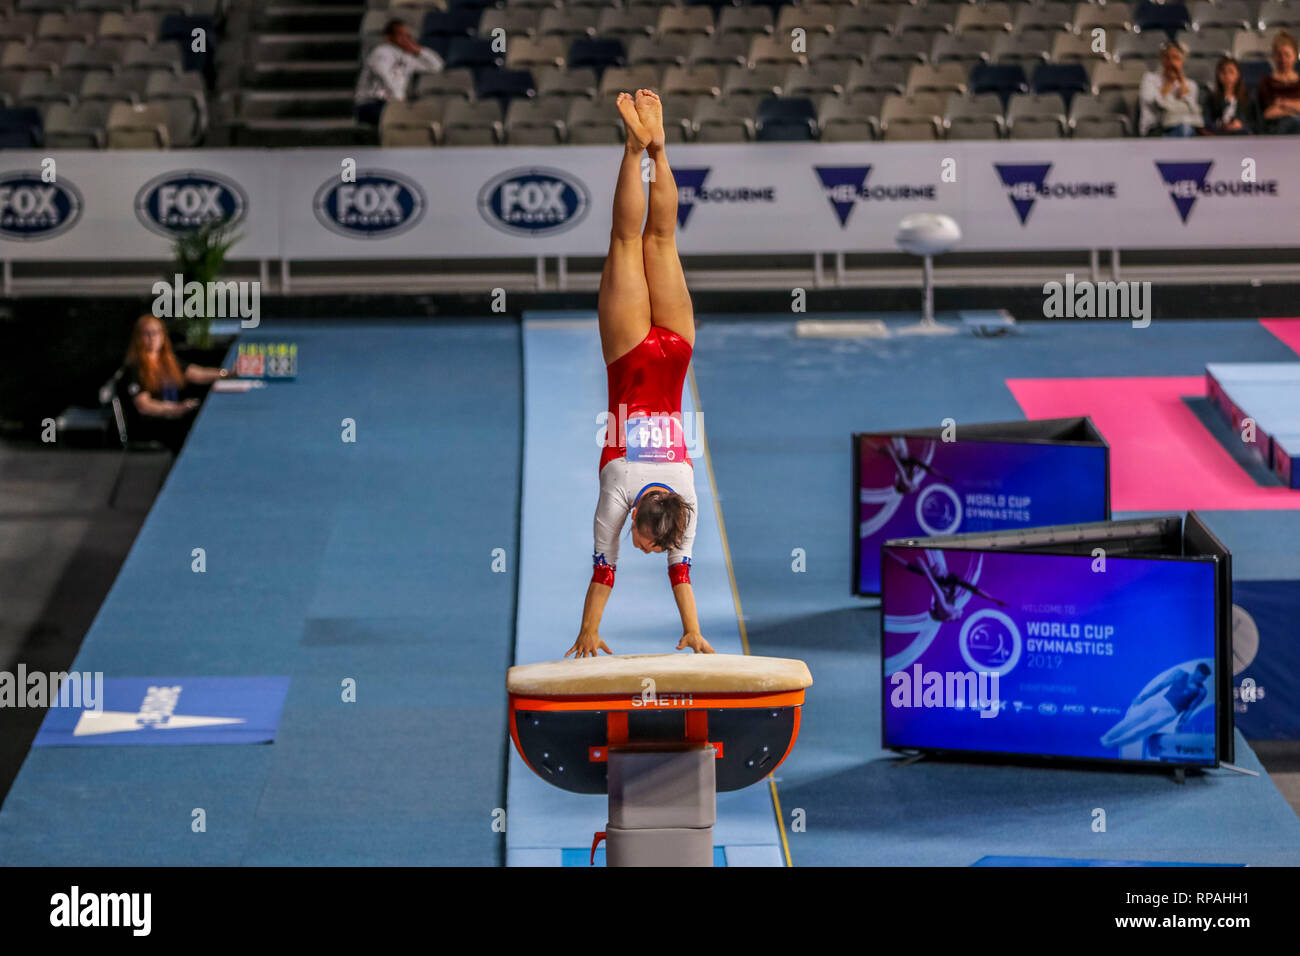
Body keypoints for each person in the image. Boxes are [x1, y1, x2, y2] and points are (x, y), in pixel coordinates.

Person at [566, 90, 714, 659]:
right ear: (644, 521)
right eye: (651, 546)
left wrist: (693, 629)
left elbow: (682, 574)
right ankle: (635, 145)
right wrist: (588, 630)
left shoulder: (685, 501)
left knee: (660, 239)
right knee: (627, 241)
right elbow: (604, 571)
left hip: (676, 351)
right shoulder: (618, 492)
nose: (651, 552)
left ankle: (659, 145)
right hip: (630, 355)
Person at [120, 314, 231, 452]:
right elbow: (144, 405)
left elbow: (197, 373)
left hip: (172, 415)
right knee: (193, 423)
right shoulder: (134, 368)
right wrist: (176, 409)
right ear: (138, 338)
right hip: (152, 423)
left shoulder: (167, 361)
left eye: (156, 332)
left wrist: (228, 373)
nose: (152, 337)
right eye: (147, 333)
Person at [354, 18, 444, 127]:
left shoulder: (408, 57)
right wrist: (399, 101)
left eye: (407, 35)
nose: (406, 39)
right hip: (370, 104)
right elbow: (385, 76)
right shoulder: (381, 52)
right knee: (404, 119)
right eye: (401, 35)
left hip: (394, 104)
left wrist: (418, 50)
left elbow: (436, 66)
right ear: (390, 37)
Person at [1099, 663, 1211, 749]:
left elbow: (1190, 709)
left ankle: (1113, 744)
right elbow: (1161, 685)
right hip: (1160, 701)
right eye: (1201, 677)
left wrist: (1179, 725)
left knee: (1143, 729)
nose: (1202, 680)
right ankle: (1107, 737)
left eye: (1204, 678)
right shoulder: (1180, 674)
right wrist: (1143, 697)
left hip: (1171, 713)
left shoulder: (1201, 691)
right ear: (1196, 671)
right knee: (1132, 720)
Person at [1138, 40, 1204, 136]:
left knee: (1186, 128)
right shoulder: (1149, 79)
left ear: (1182, 60)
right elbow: (1154, 103)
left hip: (1182, 127)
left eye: (1175, 58)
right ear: (1162, 60)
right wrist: (1167, 84)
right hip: (1154, 128)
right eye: (1167, 58)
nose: (1171, 62)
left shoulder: (1191, 85)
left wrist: (1182, 83)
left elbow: (1191, 110)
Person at [1258, 29, 1300, 135]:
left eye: (1287, 55)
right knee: (1291, 122)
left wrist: (1283, 103)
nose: (1283, 59)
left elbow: (1277, 108)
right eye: (1279, 55)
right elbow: (1268, 113)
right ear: (1274, 56)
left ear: (1295, 55)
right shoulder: (1266, 82)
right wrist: (1295, 107)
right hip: (1275, 130)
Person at [1202, 57, 1252, 135]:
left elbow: (1255, 122)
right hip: (1218, 135)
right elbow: (1206, 121)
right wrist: (1221, 124)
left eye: (1231, 72)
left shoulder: (1248, 98)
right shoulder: (1211, 98)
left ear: (1238, 75)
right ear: (1218, 75)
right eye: (1223, 72)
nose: (1227, 76)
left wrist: (1241, 124)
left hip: (1241, 135)